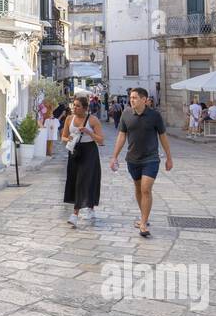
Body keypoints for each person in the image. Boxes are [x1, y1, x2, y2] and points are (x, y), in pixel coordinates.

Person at [110, 87, 173, 238]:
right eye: (131, 97)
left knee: (146, 189)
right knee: (138, 189)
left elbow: (163, 137)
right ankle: (143, 216)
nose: (132, 100)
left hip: (151, 159)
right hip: (132, 159)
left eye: (135, 98)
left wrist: (169, 157)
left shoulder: (154, 116)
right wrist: (114, 156)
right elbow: (121, 136)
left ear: (144, 100)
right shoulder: (126, 114)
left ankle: (143, 224)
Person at [62, 95, 104, 225]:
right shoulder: (69, 119)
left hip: (89, 152)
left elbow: (101, 140)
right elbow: (63, 137)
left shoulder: (93, 120)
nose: (74, 108)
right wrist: (68, 139)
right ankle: (90, 208)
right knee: (75, 180)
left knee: (84, 180)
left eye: (78, 106)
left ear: (85, 108)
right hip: (75, 152)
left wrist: (88, 132)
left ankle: (75, 214)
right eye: (74, 105)